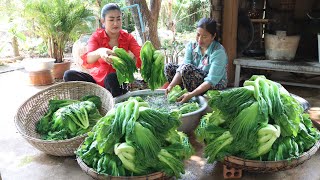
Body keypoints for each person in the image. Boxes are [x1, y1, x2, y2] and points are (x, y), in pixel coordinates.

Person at [63, 3, 141, 97]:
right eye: (111, 19)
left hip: (118, 82)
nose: (115, 23)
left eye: (118, 19)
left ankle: (114, 105)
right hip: (97, 82)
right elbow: (88, 59)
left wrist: (132, 58)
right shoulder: (96, 37)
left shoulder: (128, 38)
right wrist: (100, 51)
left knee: (111, 77)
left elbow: (140, 54)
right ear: (103, 21)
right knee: (69, 75)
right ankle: (92, 98)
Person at [165, 17, 228, 103]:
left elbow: (210, 80)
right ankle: (182, 94)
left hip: (213, 84)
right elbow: (183, 67)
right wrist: (171, 86)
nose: (200, 39)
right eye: (198, 35)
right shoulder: (192, 46)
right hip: (194, 78)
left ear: (213, 36)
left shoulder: (218, 52)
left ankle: (191, 95)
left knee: (186, 69)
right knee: (169, 68)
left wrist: (191, 94)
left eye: (204, 36)